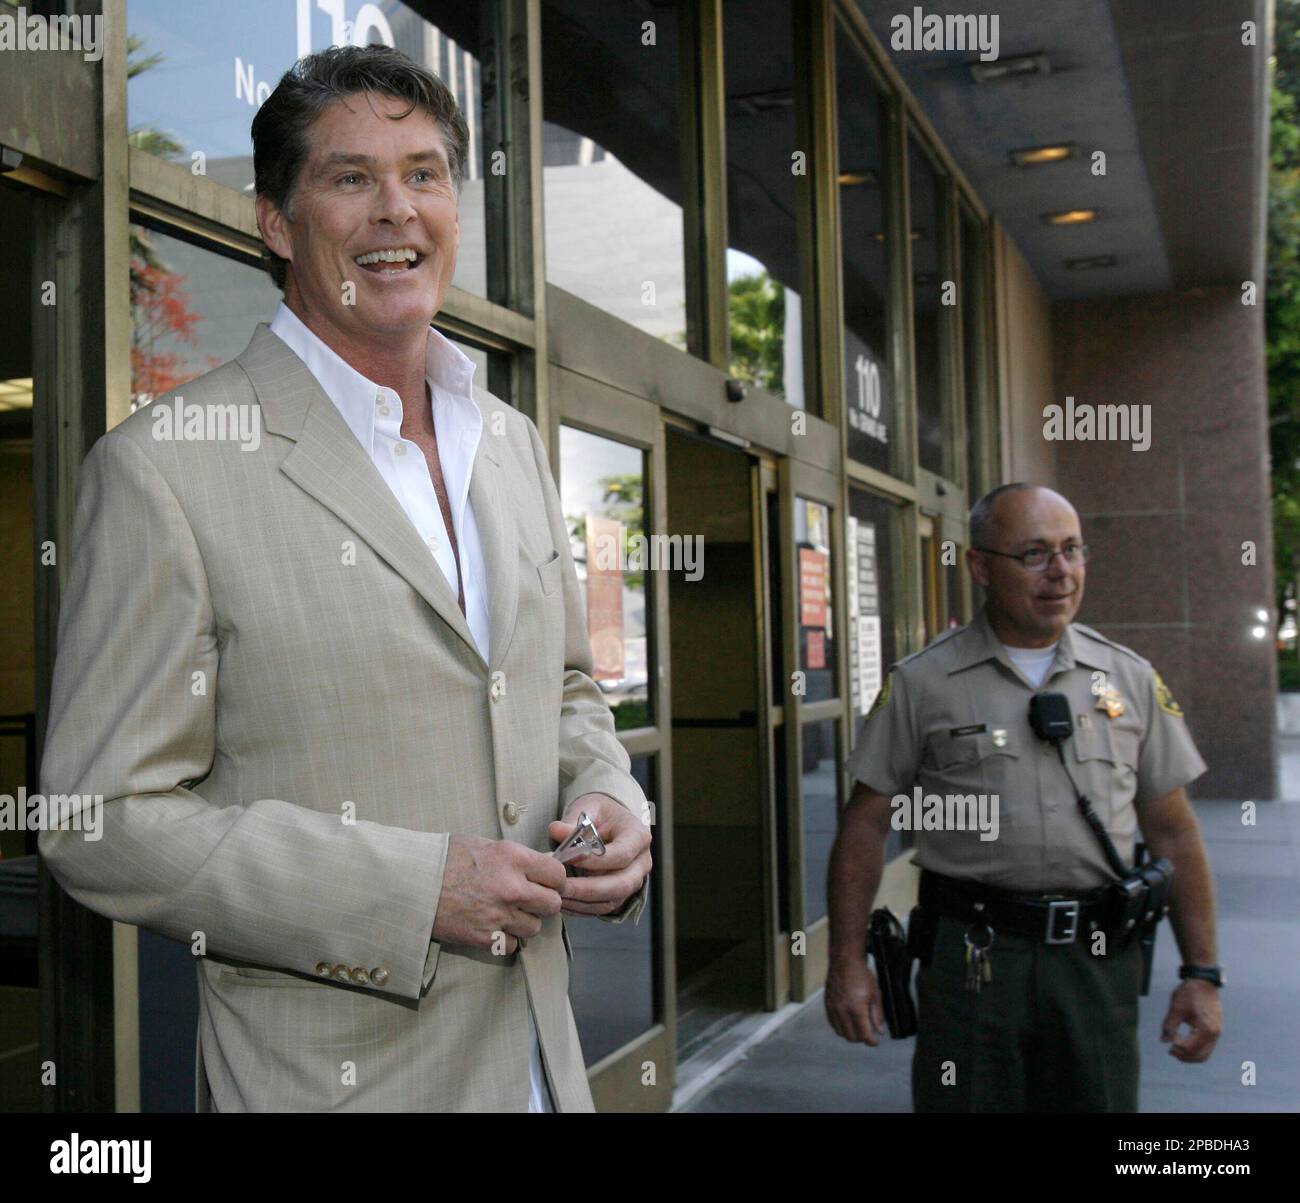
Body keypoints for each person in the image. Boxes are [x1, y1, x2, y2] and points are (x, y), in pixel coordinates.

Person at [39, 44, 651, 1113]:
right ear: (278, 224)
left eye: (423, 173)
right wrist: (413, 892)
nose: (395, 212)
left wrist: (609, 791)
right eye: (349, 178)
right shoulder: (164, 470)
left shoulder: (507, 441)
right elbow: (99, 820)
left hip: (542, 1070)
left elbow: (560, 688)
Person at [825, 482, 1222, 1111]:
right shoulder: (923, 684)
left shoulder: (1128, 678)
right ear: (980, 565)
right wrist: (847, 963)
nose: (1061, 572)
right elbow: (865, 826)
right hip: (973, 962)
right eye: (1035, 554)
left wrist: (1202, 974)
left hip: (1096, 962)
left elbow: (1175, 833)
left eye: (1073, 550)